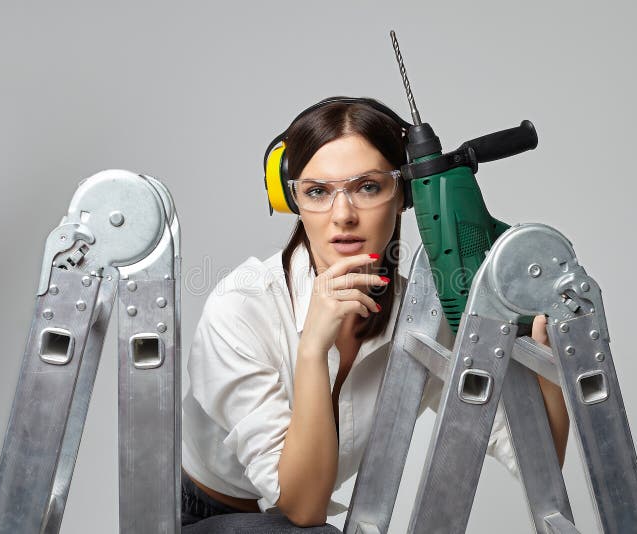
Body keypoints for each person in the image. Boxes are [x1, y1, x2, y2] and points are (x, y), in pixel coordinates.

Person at [180, 97, 569, 533]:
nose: (343, 215)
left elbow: (537, 464)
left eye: (367, 187)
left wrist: (544, 365)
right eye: (317, 192)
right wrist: (312, 350)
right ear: (294, 200)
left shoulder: (423, 319)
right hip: (196, 515)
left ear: (403, 193)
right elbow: (304, 509)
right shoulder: (241, 307)